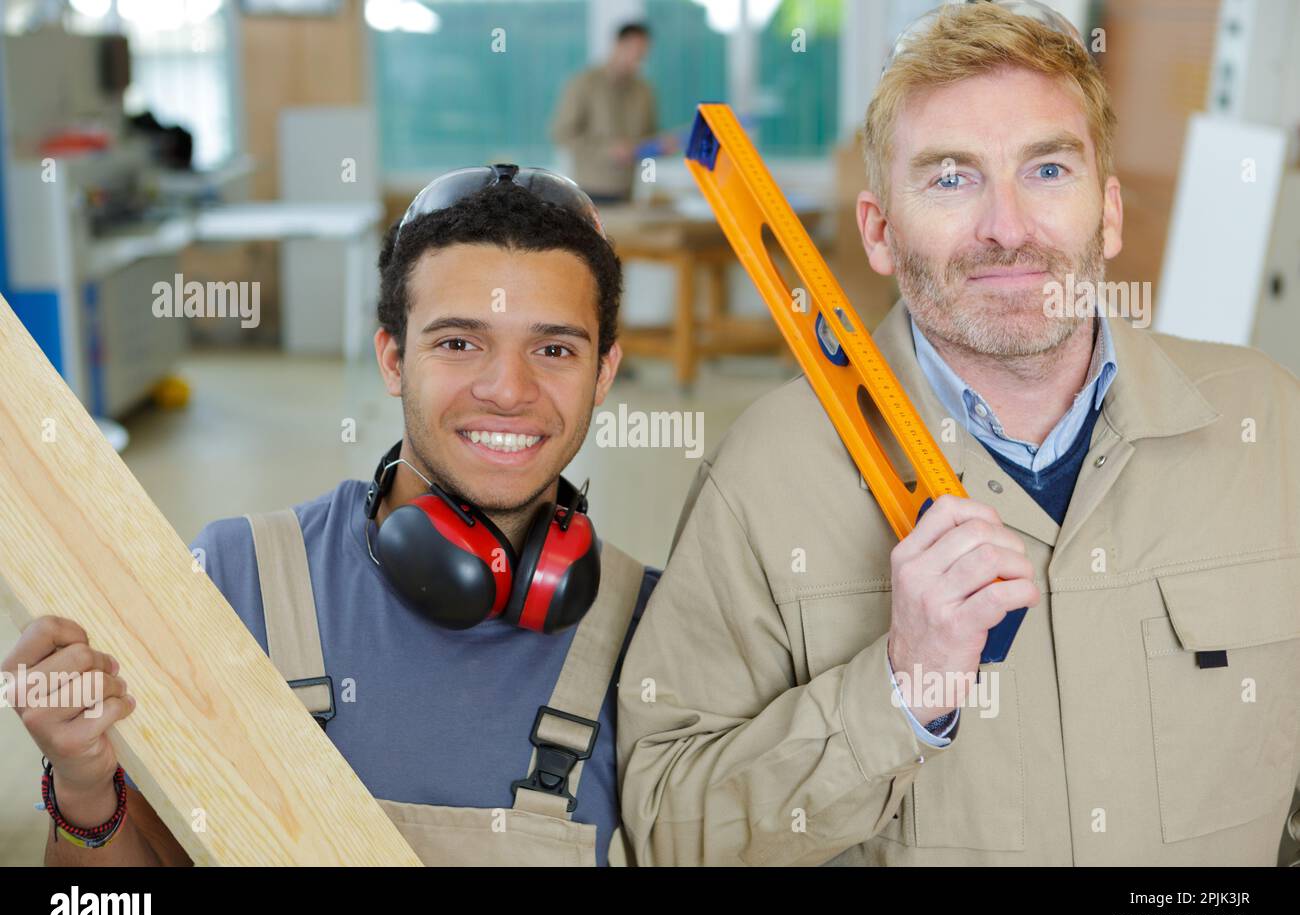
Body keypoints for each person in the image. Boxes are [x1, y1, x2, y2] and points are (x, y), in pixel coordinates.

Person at [616, 0, 1300, 865]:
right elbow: (671, 830)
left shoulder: (1273, 430)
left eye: (1048, 170)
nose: (1006, 227)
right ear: (879, 232)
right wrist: (900, 689)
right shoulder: (764, 477)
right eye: (951, 177)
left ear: (1110, 211)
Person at [8, 165, 657, 867]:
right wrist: (82, 789)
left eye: (554, 348)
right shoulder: (241, 575)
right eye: (458, 343)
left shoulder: (652, 629)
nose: (507, 390)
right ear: (392, 358)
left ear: (604, 372)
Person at [551, 21, 664, 204]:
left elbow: (650, 134)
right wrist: (608, 150)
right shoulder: (583, 83)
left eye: (642, 54)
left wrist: (660, 145)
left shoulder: (644, 90)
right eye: (633, 50)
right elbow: (561, 133)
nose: (637, 58)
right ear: (618, 45)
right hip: (589, 191)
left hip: (628, 190)